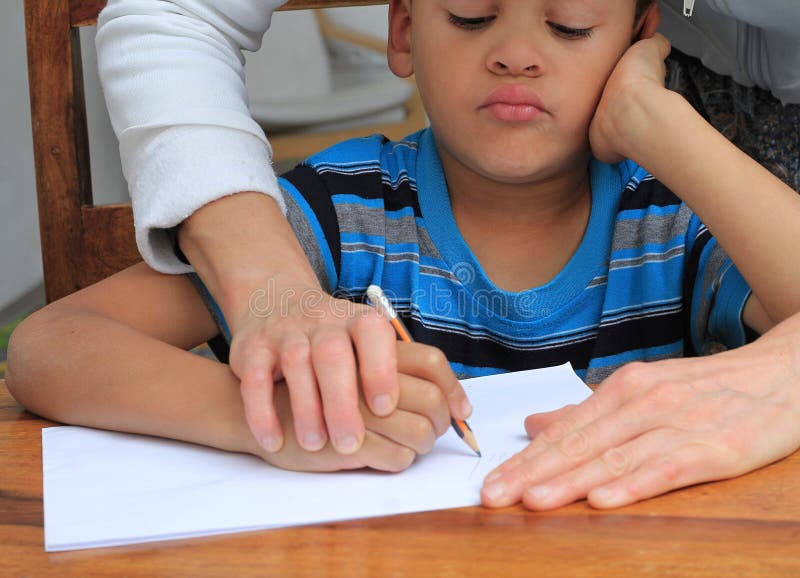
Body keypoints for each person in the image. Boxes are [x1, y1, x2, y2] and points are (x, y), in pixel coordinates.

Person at [7, 0, 800, 494]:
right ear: (404, 30)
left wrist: (656, 120)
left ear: (638, 35)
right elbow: (50, 347)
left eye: (568, 26)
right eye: (468, 18)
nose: (517, 53)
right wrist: (269, 417)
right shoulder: (341, 211)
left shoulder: (672, 219)